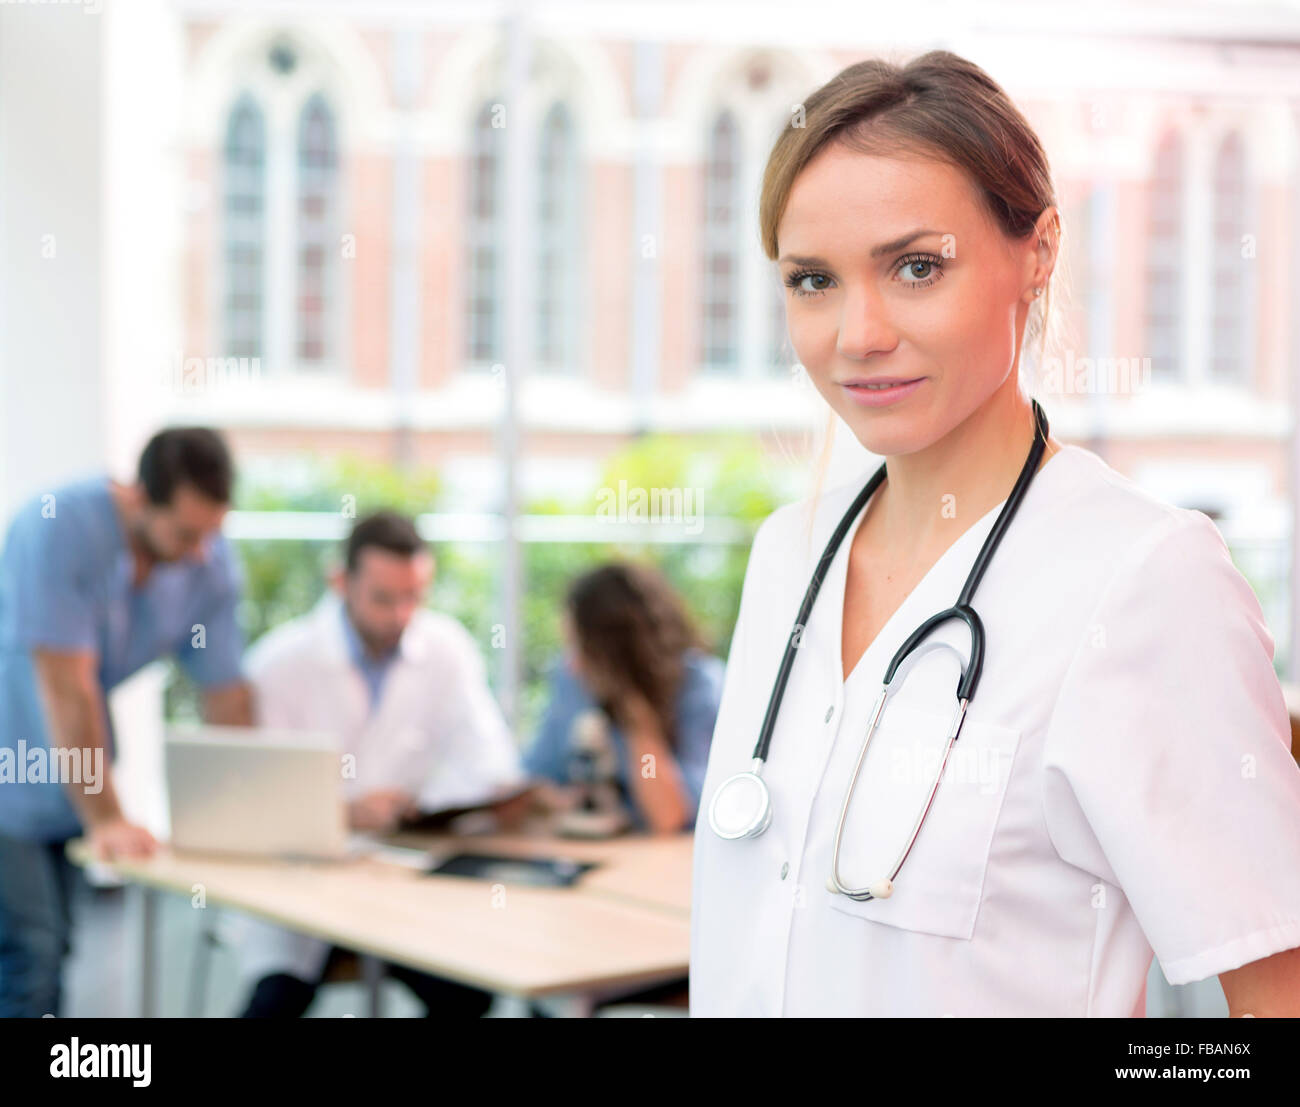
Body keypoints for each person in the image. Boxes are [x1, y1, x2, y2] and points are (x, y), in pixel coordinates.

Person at [690, 50, 1300, 1017]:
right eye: (813, 280)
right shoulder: (787, 555)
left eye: (917, 266)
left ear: (1039, 249)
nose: (859, 332)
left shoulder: (1145, 579)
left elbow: (1276, 1002)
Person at [232, 509, 527, 1018]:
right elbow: (251, 799)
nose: (400, 616)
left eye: (414, 597)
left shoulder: (446, 650)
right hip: (300, 879)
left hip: (398, 877)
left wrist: (418, 805)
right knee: (276, 1000)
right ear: (341, 582)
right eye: (384, 599)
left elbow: (490, 766)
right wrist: (345, 812)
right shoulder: (280, 665)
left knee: (469, 996)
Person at [0, 427, 252, 1017]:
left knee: (55, 949)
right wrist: (108, 815)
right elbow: (67, 685)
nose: (199, 552)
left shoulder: (207, 559)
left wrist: (242, 812)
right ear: (140, 497)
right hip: (12, 762)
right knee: (31, 952)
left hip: (67, 777)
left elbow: (226, 693)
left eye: (211, 534)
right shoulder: (61, 526)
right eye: (186, 534)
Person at [523, 561, 725, 834]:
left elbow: (671, 819)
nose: (574, 664)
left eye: (583, 647)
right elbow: (537, 775)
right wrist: (547, 798)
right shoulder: (571, 679)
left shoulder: (699, 685)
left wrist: (635, 717)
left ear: (618, 649)